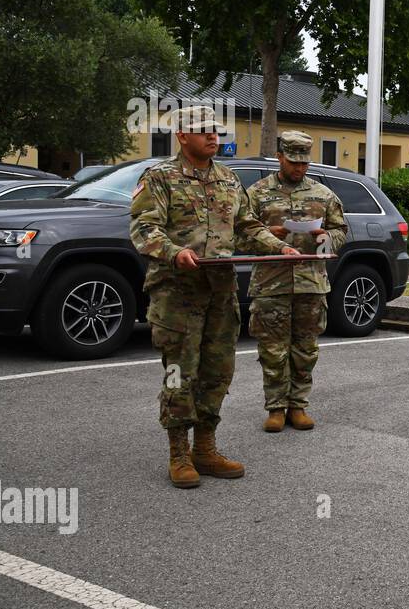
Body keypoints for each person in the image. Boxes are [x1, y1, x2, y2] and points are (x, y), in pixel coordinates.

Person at [130, 106, 298, 488]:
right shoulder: (160, 177)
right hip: (177, 292)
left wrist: (278, 247)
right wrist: (175, 252)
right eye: (203, 131)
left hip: (220, 291)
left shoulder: (227, 178)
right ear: (182, 136)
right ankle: (178, 452)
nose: (212, 137)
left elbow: (246, 225)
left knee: (218, 371)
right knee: (180, 372)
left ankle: (204, 449)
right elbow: (144, 228)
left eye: (215, 131)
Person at [246, 131, 348, 431]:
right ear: (280, 157)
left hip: (310, 283)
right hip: (271, 283)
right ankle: (276, 408)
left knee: (305, 349)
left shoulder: (323, 194)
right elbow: (239, 234)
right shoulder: (257, 193)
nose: (299, 169)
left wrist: (325, 238)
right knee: (273, 349)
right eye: (293, 162)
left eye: (304, 163)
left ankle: (298, 406)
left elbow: (341, 232)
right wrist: (267, 236)